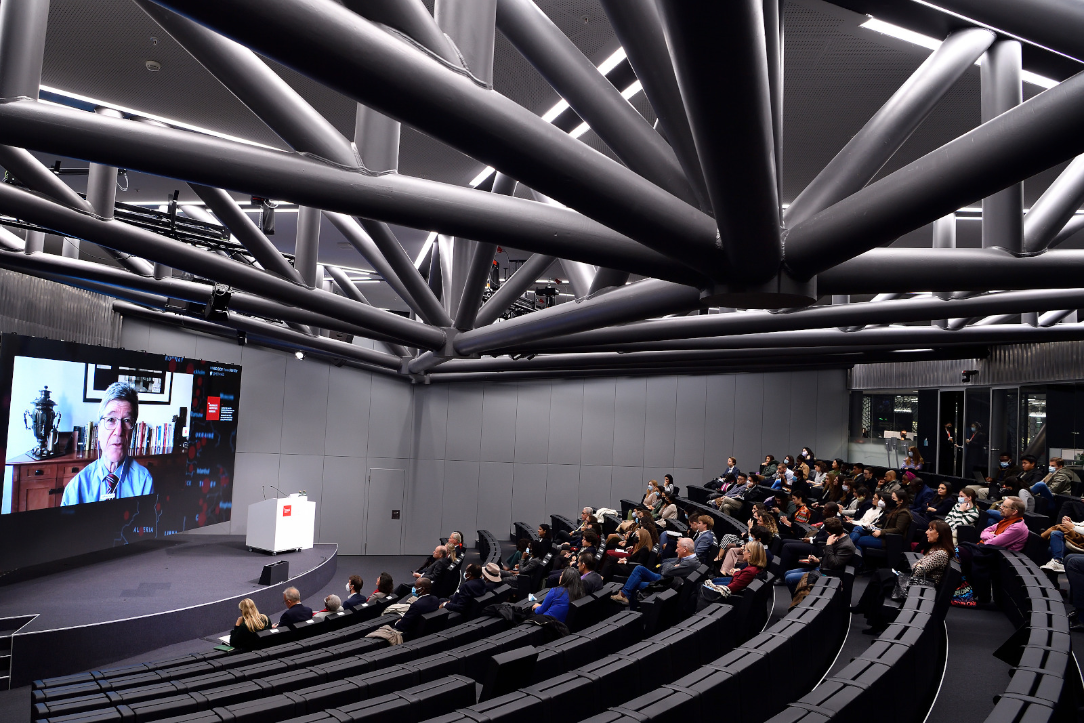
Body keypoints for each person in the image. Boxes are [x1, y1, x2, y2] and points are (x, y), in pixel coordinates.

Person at [852, 520, 954, 634]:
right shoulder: (935, 549)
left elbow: (917, 570)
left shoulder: (940, 553)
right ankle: (867, 611)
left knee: (883, 580)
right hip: (918, 583)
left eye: (930, 529)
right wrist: (918, 564)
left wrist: (918, 565)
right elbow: (918, 566)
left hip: (919, 587)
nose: (926, 532)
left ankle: (868, 613)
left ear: (939, 534)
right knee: (881, 575)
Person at [61, 382, 155, 506]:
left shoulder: (144, 482)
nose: (119, 431)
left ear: (133, 431)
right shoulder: (76, 488)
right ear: (99, 429)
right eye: (111, 420)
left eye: (127, 420)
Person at [958, 497, 1029, 603]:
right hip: (987, 551)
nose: (1001, 507)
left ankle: (964, 595)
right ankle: (964, 593)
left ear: (1014, 511)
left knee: (957, 552)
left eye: (1004, 506)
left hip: (999, 558)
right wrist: (993, 536)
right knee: (957, 551)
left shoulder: (1017, 527)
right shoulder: (1006, 521)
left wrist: (991, 536)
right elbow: (984, 532)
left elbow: (991, 543)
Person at [610, 537, 700, 606]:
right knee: (639, 569)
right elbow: (666, 566)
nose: (676, 550)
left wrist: (670, 567)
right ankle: (624, 595)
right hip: (665, 579)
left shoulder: (691, 563)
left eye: (677, 548)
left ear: (685, 549)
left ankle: (628, 602)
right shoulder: (685, 558)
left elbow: (666, 571)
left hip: (666, 584)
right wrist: (671, 566)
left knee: (636, 582)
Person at [783, 518, 855, 595]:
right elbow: (830, 558)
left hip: (827, 573)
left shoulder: (846, 546)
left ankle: (800, 599)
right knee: (787, 573)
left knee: (789, 578)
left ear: (829, 533)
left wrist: (829, 545)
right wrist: (817, 560)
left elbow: (834, 564)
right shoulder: (838, 538)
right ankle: (799, 598)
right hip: (822, 567)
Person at [853, 490, 912, 558]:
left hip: (889, 540)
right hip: (884, 534)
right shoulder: (896, 509)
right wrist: (875, 526)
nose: (891, 500)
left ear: (901, 501)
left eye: (893, 498)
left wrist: (881, 532)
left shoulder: (904, 513)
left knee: (858, 540)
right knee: (858, 529)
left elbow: (898, 529)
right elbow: (887, 524)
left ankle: (853, 554)